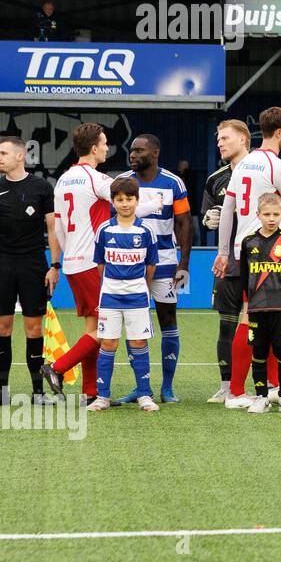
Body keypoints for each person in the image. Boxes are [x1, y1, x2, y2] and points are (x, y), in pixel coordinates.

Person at [42, 124, 160, 401]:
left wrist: (57, 262)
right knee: (103, 329)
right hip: (90, 262)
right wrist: (156, 202)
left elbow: (57, 228)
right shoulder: (95, 178)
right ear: (94, 148)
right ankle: (56, 368)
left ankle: (90, 392)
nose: (107, 147)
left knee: (91, 329)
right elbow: (128, 203)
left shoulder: (63, 180)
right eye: (105, 143)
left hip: (72, 262)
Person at [214, 107, 281, 409]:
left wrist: (223, 251)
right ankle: (236, 390)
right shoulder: (278, 166)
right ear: (280, 132)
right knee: (254, 317)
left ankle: (270, 387)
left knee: (268, 315)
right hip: (267, 251)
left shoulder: (243, 164)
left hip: (243, 250)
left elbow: (228, 210)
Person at [0, 136, 60, 405]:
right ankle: (2, 393)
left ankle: (38, 394)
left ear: (20, 156)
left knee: (33, 328)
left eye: (3, 152)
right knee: (2, 327)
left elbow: (52, 229)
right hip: (2, 264)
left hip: (33, 264)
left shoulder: (41, 187)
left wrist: (55, 265)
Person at [117, 134, 191, 404]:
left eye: (139, 150)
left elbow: (183, 223)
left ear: (155, 152)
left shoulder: (173, 182)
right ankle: (141, 387)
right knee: (135, 324)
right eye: (131, 150)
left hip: (166, 263)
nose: (133, 154)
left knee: (168, 321)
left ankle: (167, 387)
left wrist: (184, 264)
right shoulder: (124, 182)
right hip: (130, 265)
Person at [201, 119, 267, 403]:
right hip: (229, 261)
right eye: (218, 139)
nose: (220, 143)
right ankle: (227, 386)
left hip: (259, 260)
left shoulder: (266, 171)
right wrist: (209, 220)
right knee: (227, 325)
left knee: (264, 325)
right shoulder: (215, 179)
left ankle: (267, 385)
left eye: (225, 138)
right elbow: (207, 217)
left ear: (243, 139)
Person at [88, 177, 159, 412]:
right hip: (110, 296)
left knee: (138, 342)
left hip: (138, 296)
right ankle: (103, 397)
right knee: (108, 343)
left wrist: (141, 286)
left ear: (137, 201)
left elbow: (151, 265)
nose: (125, 204)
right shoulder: (104, 230)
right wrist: (112, 284)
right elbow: (100, 265)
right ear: (113, 202)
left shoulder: (146, 230)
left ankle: (144, 394)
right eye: (120, 199)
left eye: (129, 199)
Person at [238, 193, 281, 414]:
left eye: (276, 214)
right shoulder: (248, 242)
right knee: (259, 352)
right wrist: (250, 302)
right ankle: (261, 397)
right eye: (267, 214)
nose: (271, 218)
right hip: (257, 309)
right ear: (258, 215)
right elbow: (245, 277)